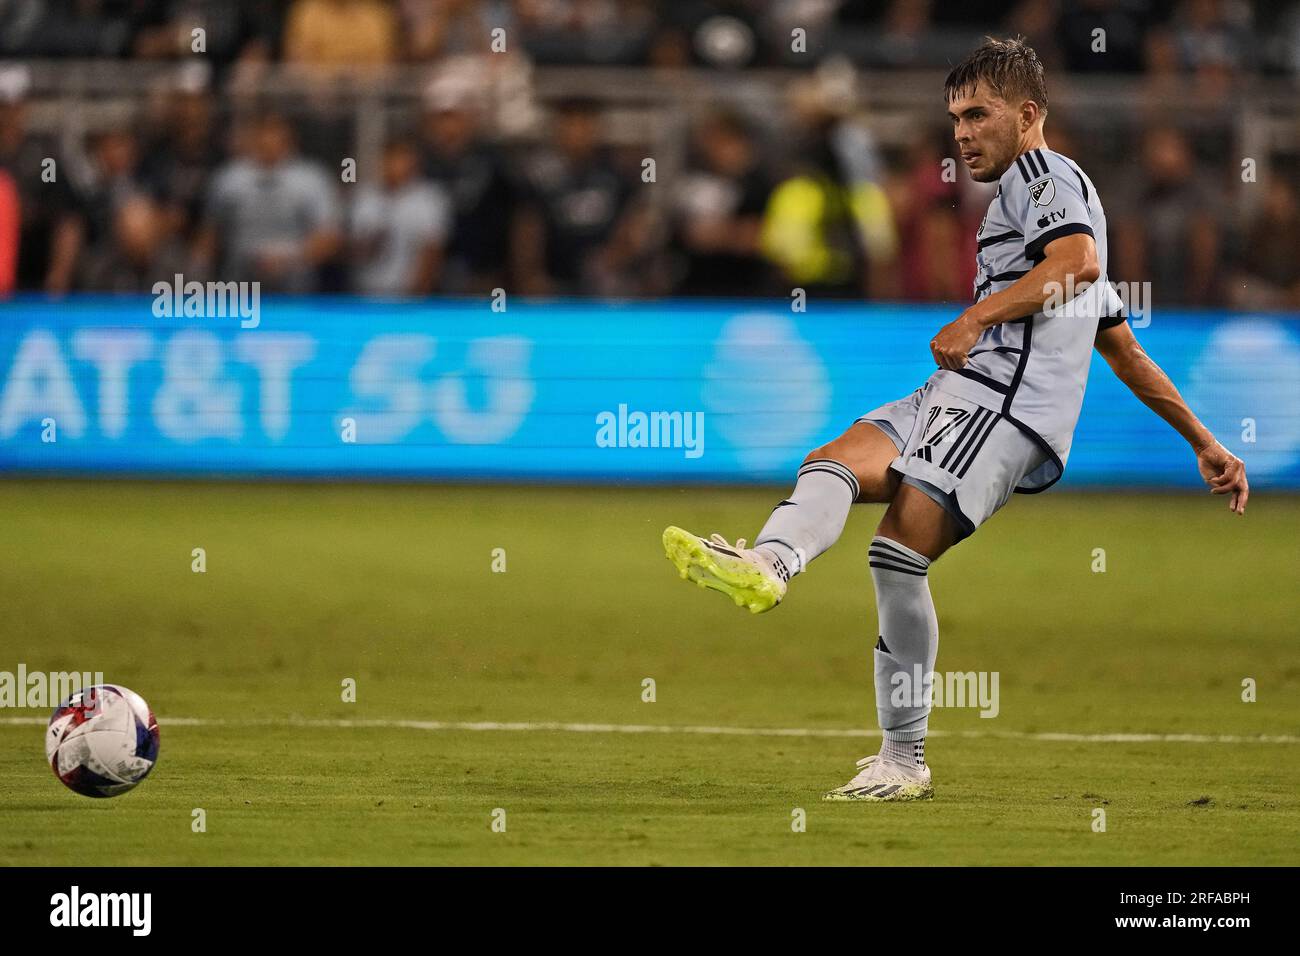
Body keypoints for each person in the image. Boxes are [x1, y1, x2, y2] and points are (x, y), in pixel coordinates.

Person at [660, 37, 1249, 803]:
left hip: (1005, 403)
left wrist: (977, 316)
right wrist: (1204, 442)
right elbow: (1122, 346)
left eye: (979, 114)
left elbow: (1078, 267)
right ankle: (768, 565)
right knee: (833, 459)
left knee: (897, 553)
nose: (963, 133)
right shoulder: (1052, 197)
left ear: (1028, 114)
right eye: (955, 119)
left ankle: (903, 761)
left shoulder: (1045, 178)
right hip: (964, 392)